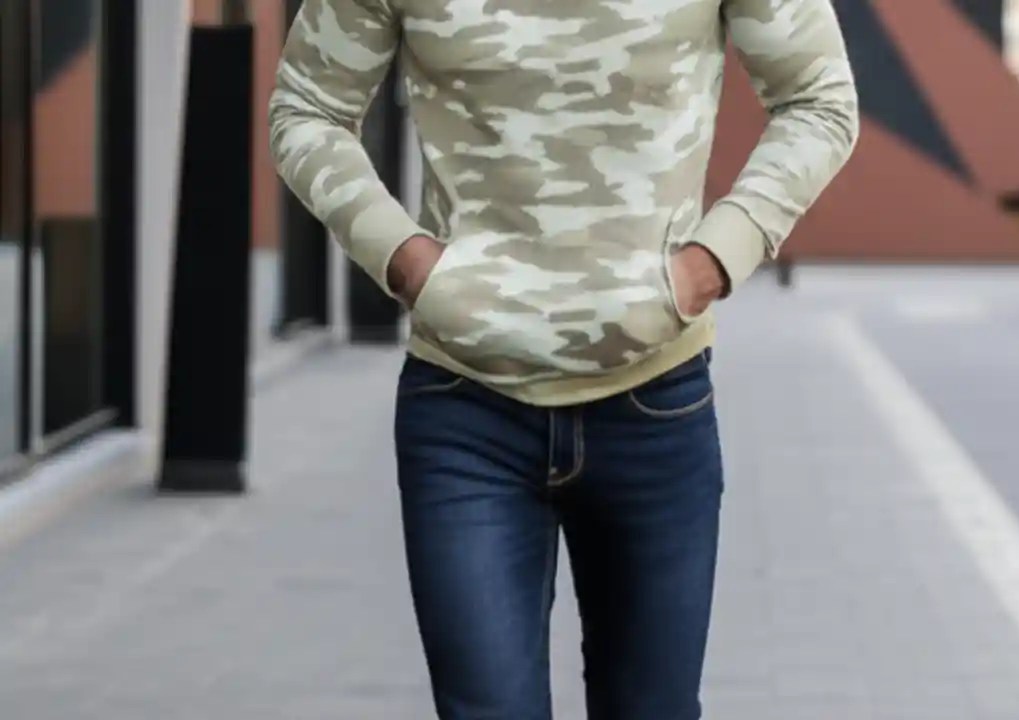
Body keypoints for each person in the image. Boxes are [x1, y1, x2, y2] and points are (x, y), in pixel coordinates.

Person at [268, 1, 857, 717]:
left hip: (653, 404)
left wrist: (708, 264)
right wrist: (405, 260)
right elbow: (307, 108)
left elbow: (819, 100)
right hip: (465, 410)